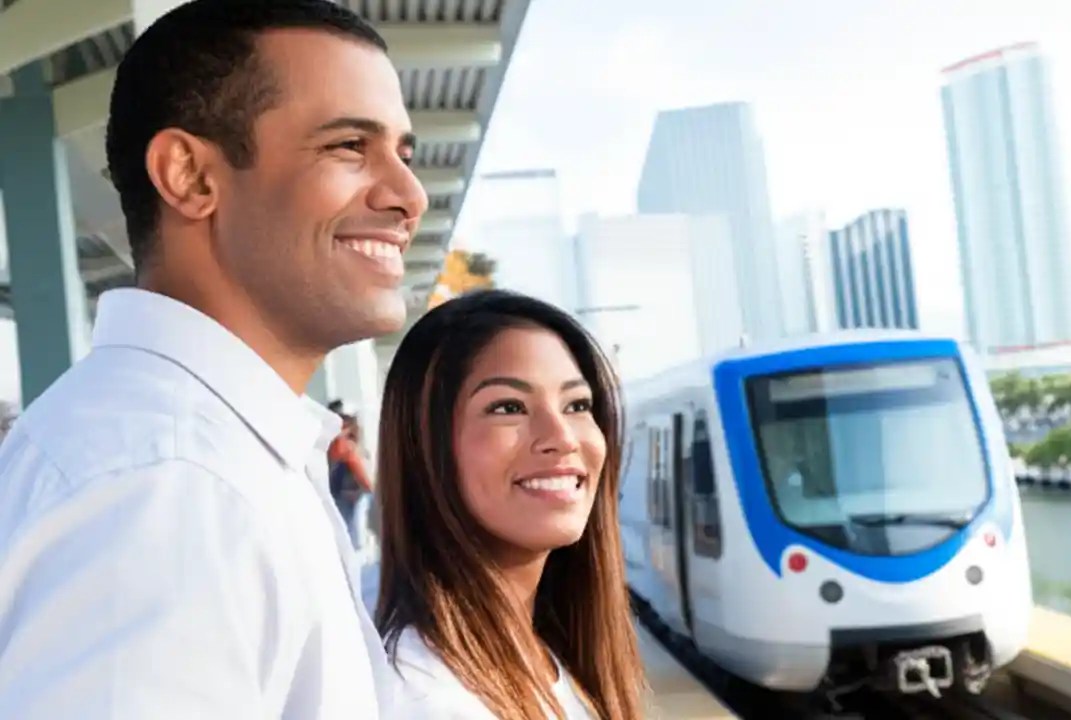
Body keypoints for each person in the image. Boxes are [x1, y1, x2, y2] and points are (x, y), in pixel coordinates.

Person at [0, 1, 426, 718]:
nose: (408, 195)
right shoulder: (168, 488)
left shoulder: (205, 457)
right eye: (349, 146)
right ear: (190, 177)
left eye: (404, 154)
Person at [375, 290, 646, 720]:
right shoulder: (423, 695)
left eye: (577, 405)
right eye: (508, 407)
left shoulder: (548, 658)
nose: (562, 437)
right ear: (426, 447)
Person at [330, 412, 376, 551]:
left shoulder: (352, 449)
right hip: (343, 498)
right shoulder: (341, 448)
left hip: (355, 498)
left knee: (355, 537)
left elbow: (366, 482)